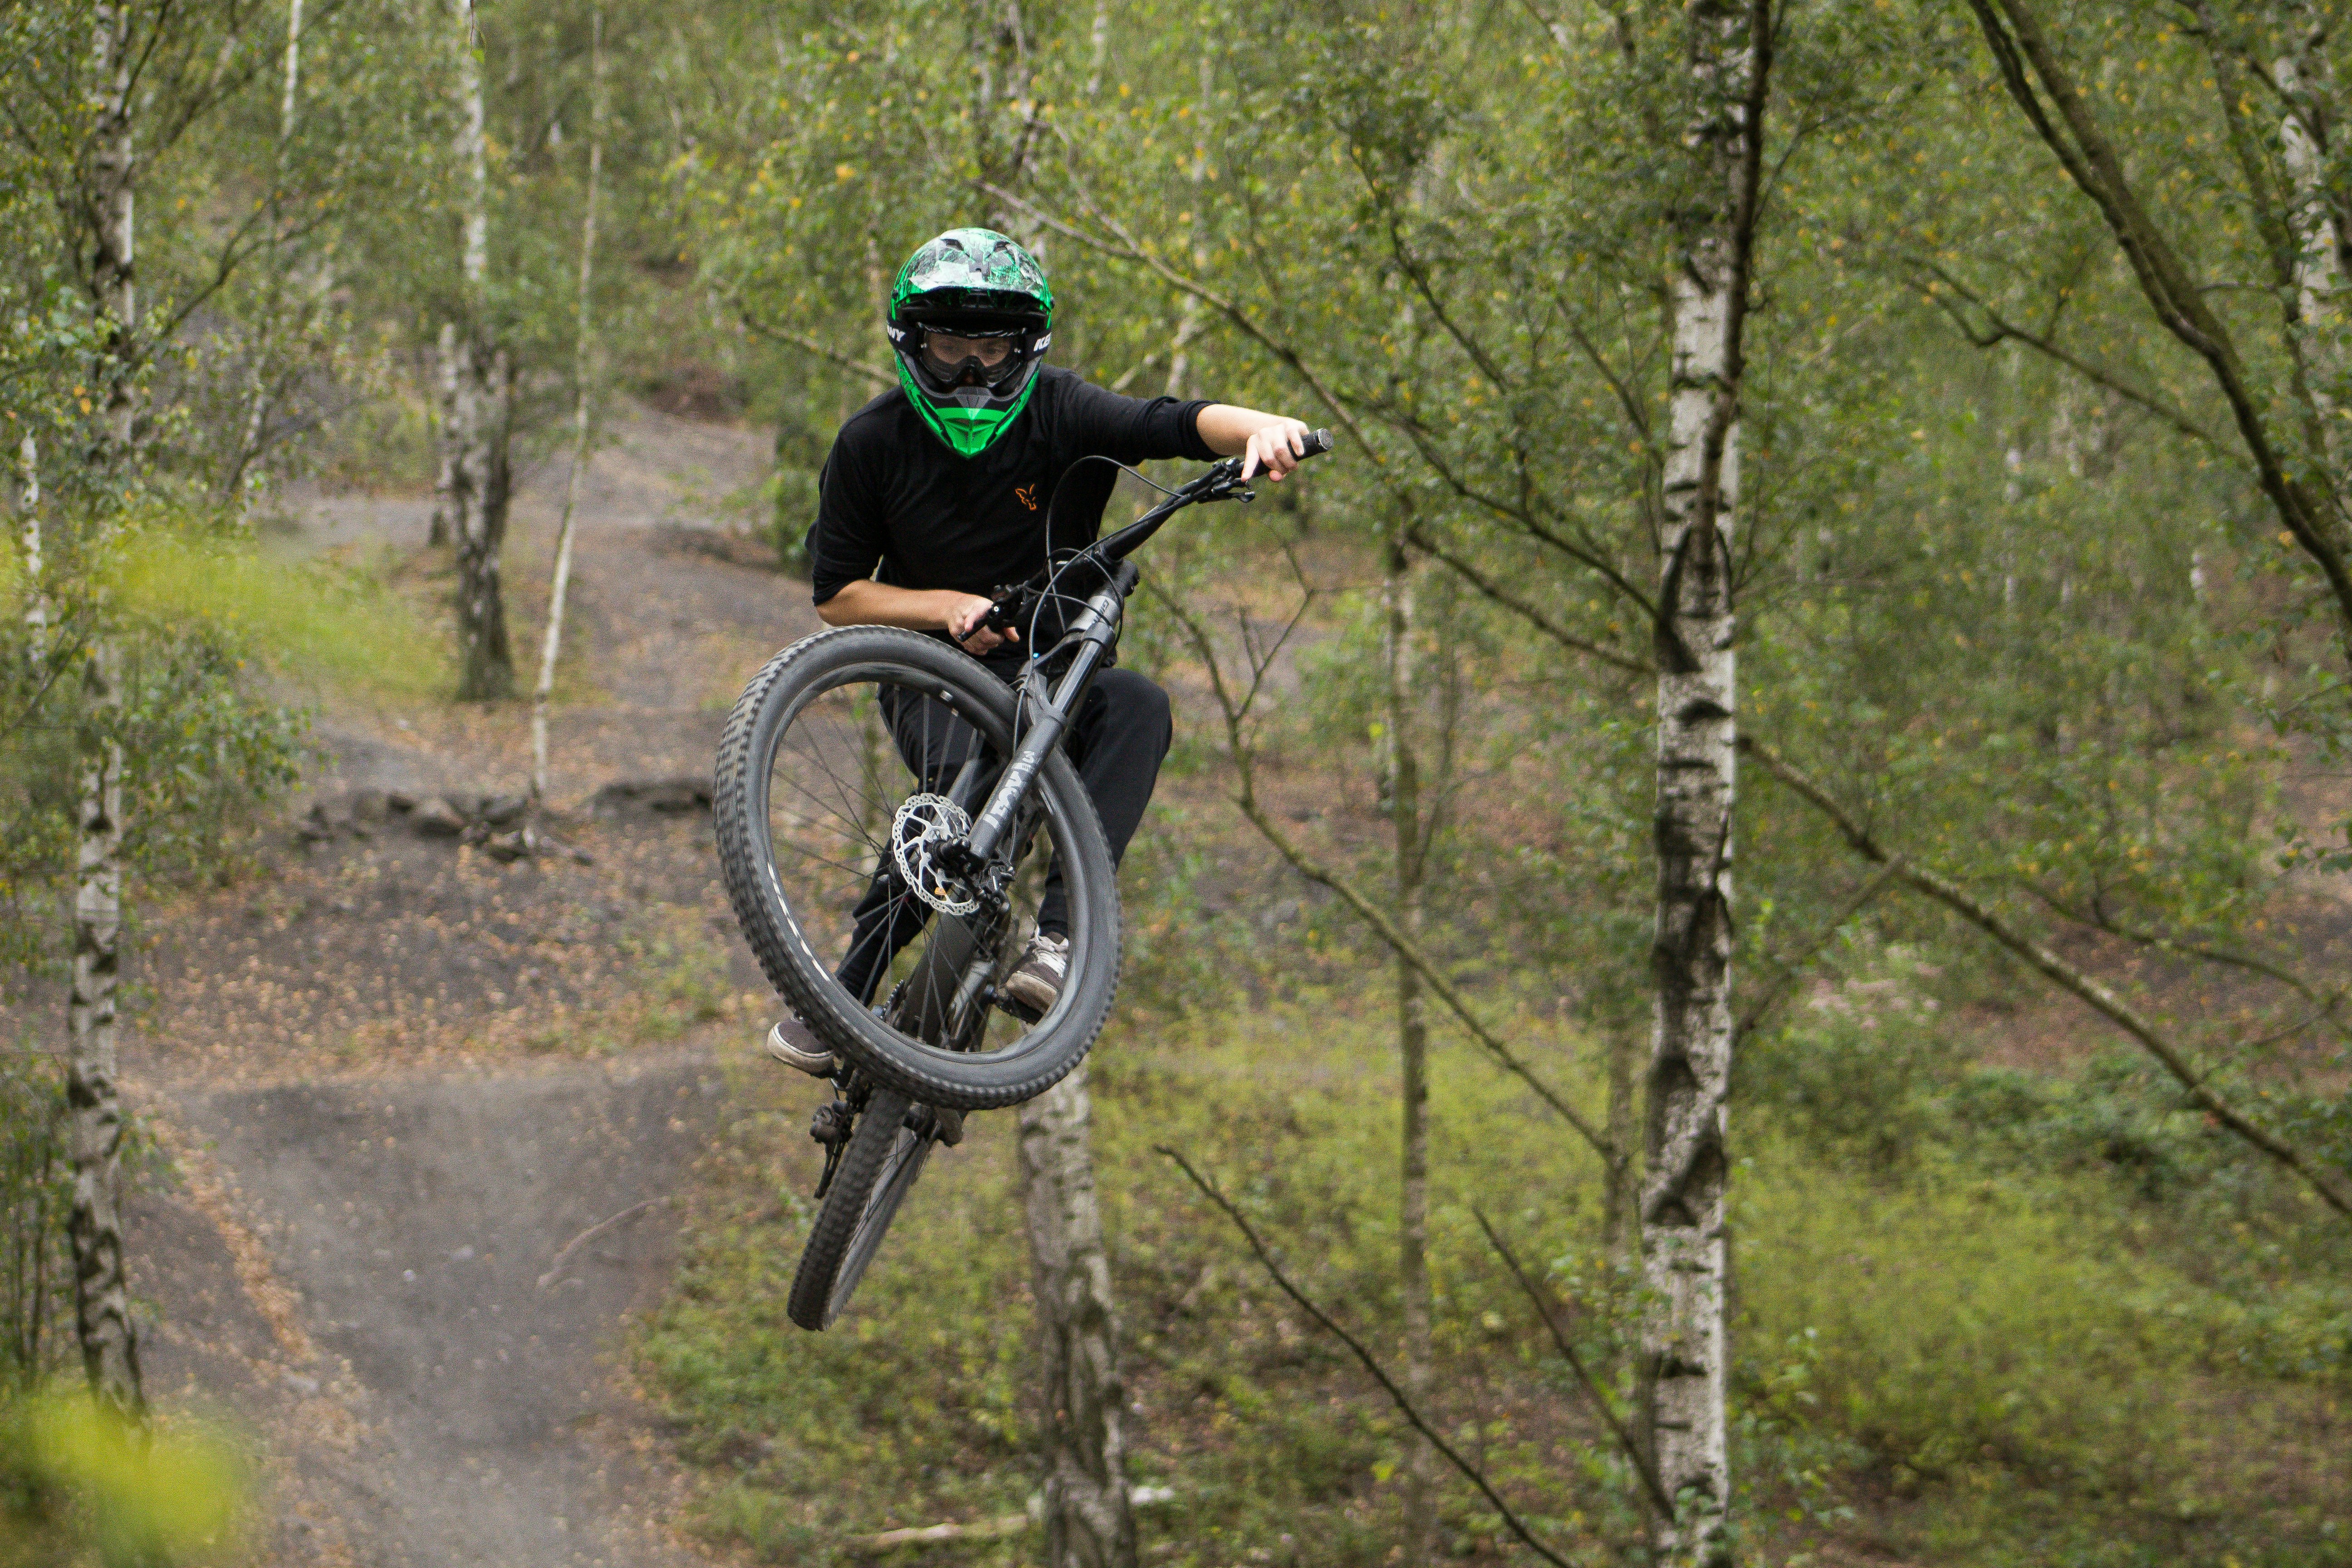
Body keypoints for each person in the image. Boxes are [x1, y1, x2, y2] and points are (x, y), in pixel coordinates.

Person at [766, 226, 1315, 1073]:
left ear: (1027, 347)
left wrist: (1264, 428)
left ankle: (1058, 942)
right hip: (933, 671)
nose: (973, 373)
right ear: (913, 345)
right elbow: (839, 595)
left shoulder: (1063, 410)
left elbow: (1174, 423)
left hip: (1054, 674)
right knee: (960, 791)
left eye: (993, 348)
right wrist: (944, 607)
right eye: (949, 348)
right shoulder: (871, 444)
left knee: (1140, 706)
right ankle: (844, 992)